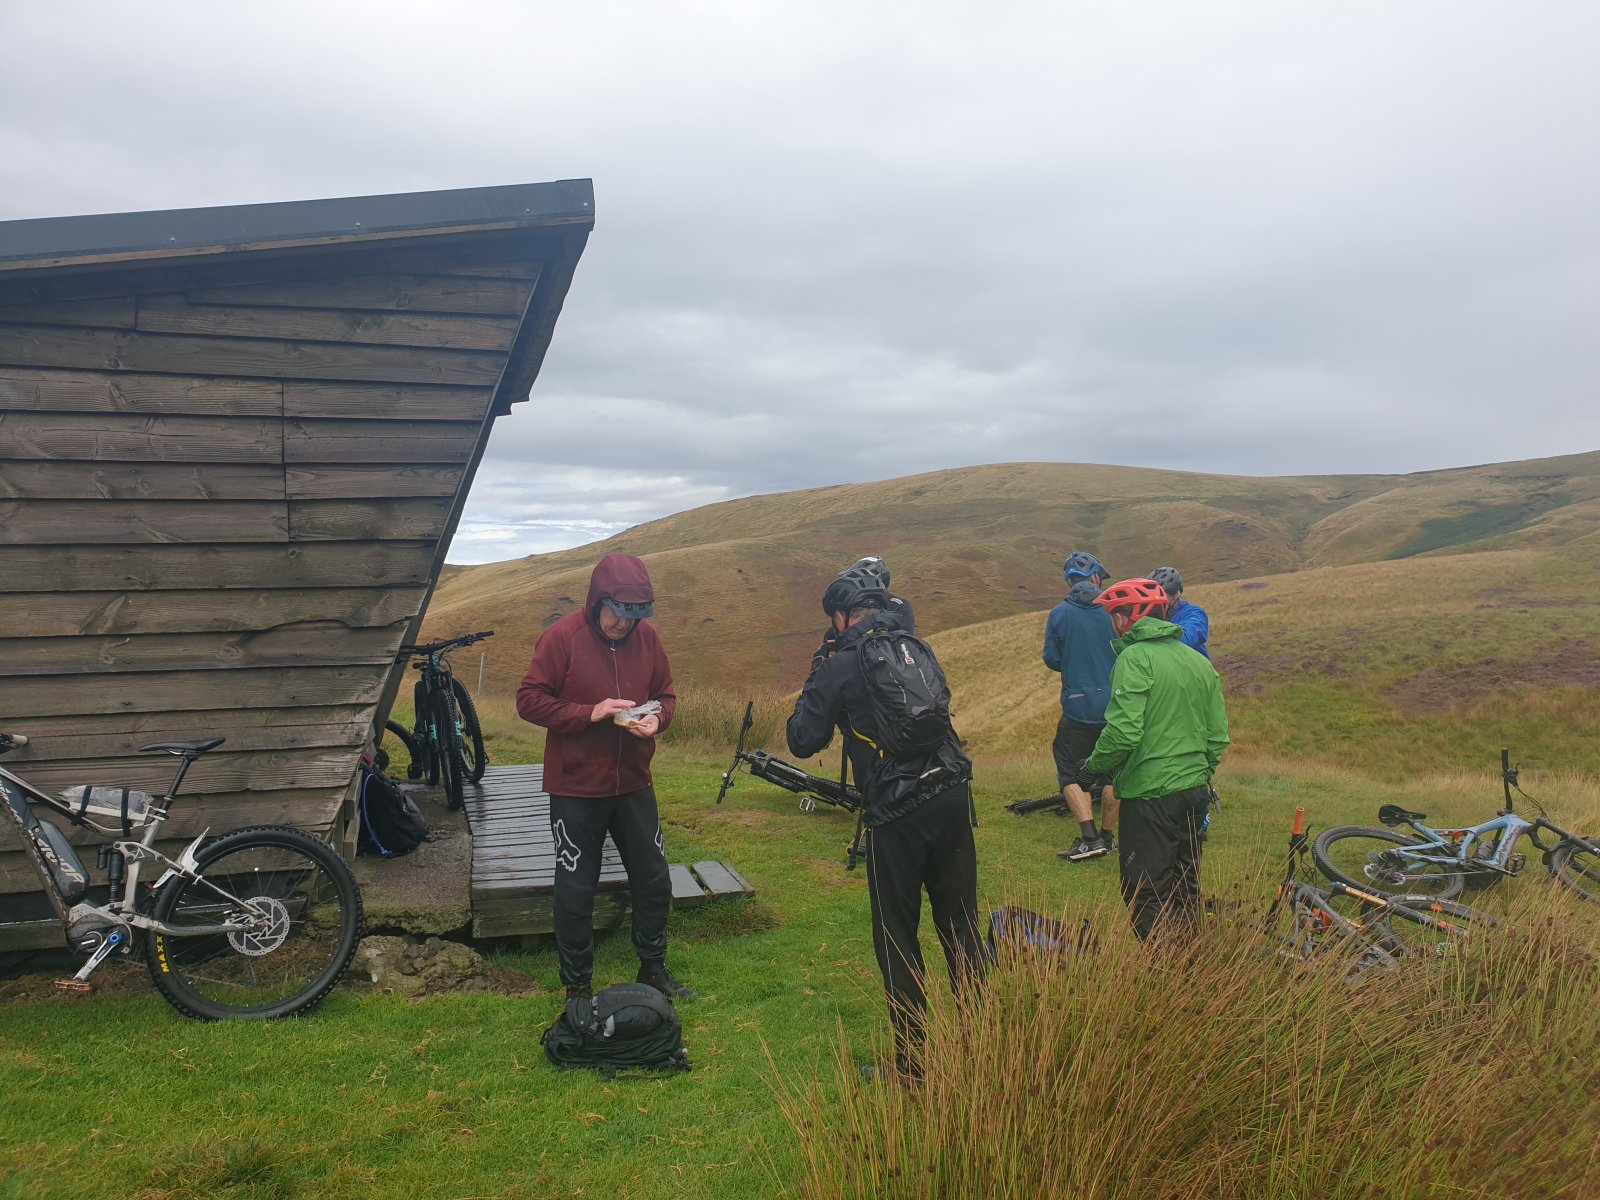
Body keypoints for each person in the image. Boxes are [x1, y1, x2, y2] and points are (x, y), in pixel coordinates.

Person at [786, 569, 982, 1081]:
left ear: (840, 617)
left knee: (897, 935)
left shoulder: (841, 662)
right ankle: (985, 1046)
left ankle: (914, 1066)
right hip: (953, 790)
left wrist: (819, 671)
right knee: (959, 923)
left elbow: (801, 739)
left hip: (899, 810)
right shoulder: (915, 645)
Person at [515, 553, 692, 1028]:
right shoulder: (563, 637)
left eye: (633, 616)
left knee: (654, 878)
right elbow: (529, 700)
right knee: (576, 886)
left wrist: (658, 719)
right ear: (597, 601)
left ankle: (653, 970)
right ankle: (577, 987)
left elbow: (667, 694)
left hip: (634, 782)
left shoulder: (648, 639)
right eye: (616, 613)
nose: (622, 624)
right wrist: (588, 713)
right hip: (575, 786)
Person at [1065, 578, 1229, 940]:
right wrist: (1200, 773)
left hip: (1150, 795)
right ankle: (1189, 968)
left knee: (1145, 891)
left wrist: (1092, 769)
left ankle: (1159, 980)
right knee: (1185, 886)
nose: (1112, 623)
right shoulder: (1197, 660)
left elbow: (1123, 732)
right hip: (1194, 791)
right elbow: (1218, 736)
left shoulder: (1133, 657)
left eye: (1114, 615)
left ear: (1127, 619)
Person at [1042, 551, 1118, 862]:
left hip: (1077, 708)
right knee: (1115, 772)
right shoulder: (1114, 610)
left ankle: (1089, 838)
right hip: (1114, 705)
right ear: (1096, 577)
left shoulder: (1060, 613)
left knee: (1070, 773)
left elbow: (1052, 658)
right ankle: (1109, 837)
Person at [1149, 566, 1209, 658]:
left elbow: (1187, 638)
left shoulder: (1194, 613)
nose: (1157, 601)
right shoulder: (1148, 616)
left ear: (1175, 595)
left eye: (1162, 595)